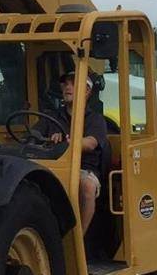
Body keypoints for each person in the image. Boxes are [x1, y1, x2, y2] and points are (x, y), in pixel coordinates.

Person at [45, 68, 109, 234]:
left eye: (73, 83)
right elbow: (35, 134)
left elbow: (91, 143)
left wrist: (70, 142)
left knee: (87, 186)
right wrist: (48, 138)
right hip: (52, 167)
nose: (68, 87)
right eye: (65, 83)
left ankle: (78, 238)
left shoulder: (96, 119)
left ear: (87, 91)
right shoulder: (51, 117)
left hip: (83, 169)